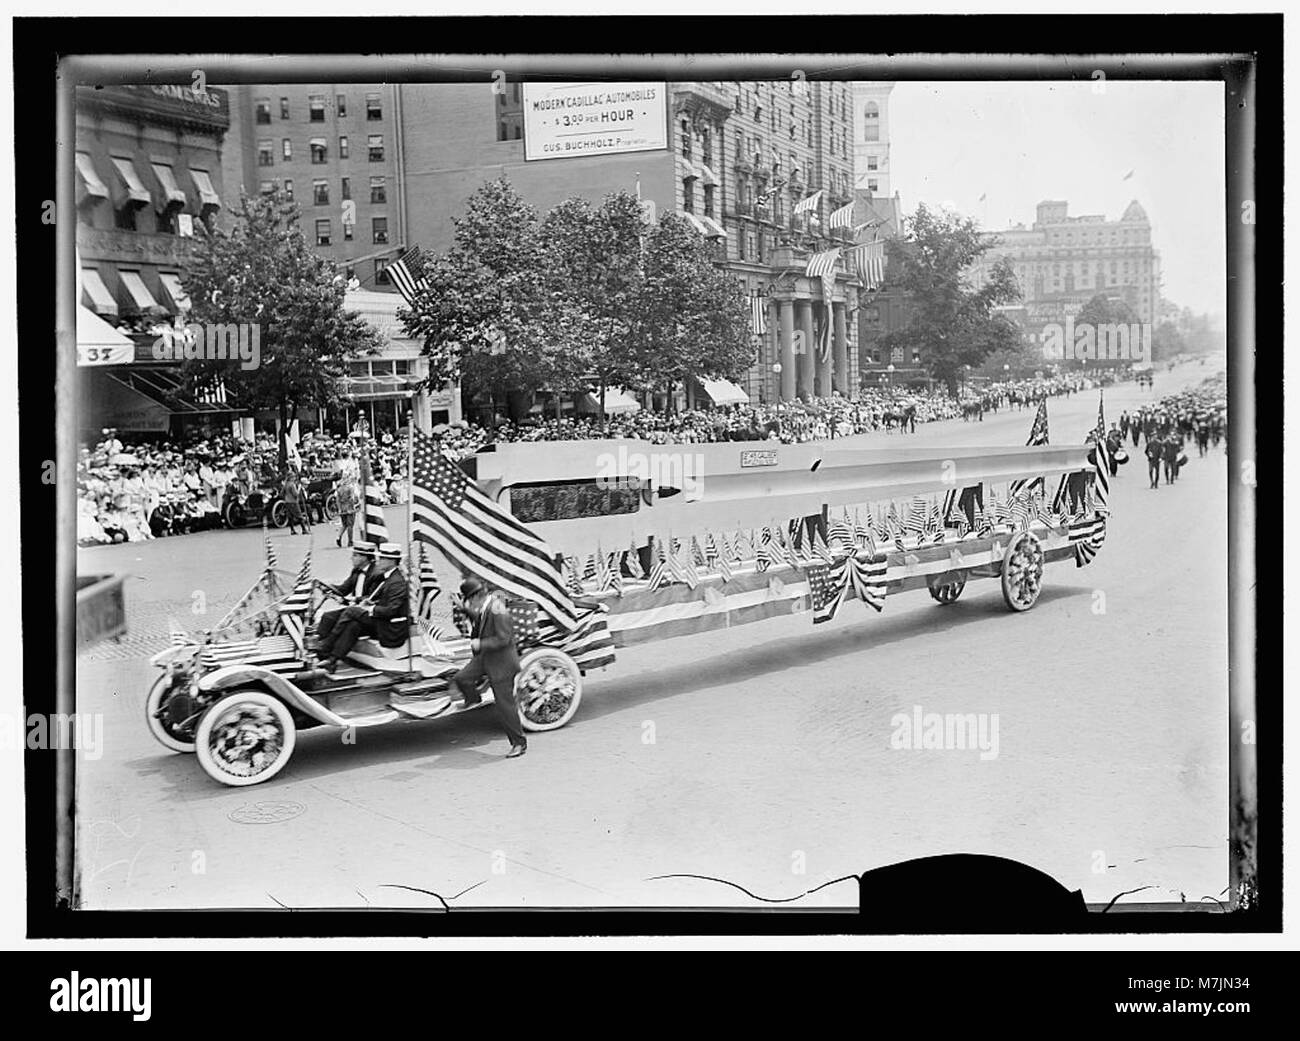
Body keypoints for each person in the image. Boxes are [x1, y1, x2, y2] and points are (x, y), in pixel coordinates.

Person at [446, 575, 528, 759]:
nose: (471, 603)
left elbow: (504, 638)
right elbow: (480, 619)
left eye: (469, 600)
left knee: (505, 706)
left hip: (502, 664)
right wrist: (464, 609)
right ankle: (473, 699)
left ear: (475, 597)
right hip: (486, 658)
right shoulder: (487, 606)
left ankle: (519, 743)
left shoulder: (498, 609)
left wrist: (480, 644)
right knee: (461, 678)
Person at [314, 543, 409, 672]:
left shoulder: (396, 582)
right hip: (381, 620)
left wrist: (369, 609)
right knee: (354, 625)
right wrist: (368, 603)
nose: (378, 561)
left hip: (391, 627)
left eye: (382, 558)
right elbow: (377, 598)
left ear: (392, 561)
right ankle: (332, 660)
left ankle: (326, 645)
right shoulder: (387, 577)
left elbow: (391, 610)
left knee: (351, 612)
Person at [281, 467, 308, 535]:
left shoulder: (285, 484)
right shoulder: (292, 485)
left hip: (287, 501)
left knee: (291, 517)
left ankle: (292, 530)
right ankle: (304, 530)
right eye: (294, 477)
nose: (295, 478)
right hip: (293, 502)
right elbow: (296, 494)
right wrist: (299, 488)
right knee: (299, 516)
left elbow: (281, 493)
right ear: (291, 477)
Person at [335, 475, 359, 548]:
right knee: (350, 526)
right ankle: (350, 541)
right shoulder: (350, 488)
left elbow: (337, 500)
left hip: (342, 508)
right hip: (349, 507)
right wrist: (354, 506)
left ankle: (338, 536)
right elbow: (352, 498)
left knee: (344, 524)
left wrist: (339, 508)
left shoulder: (339, 489)